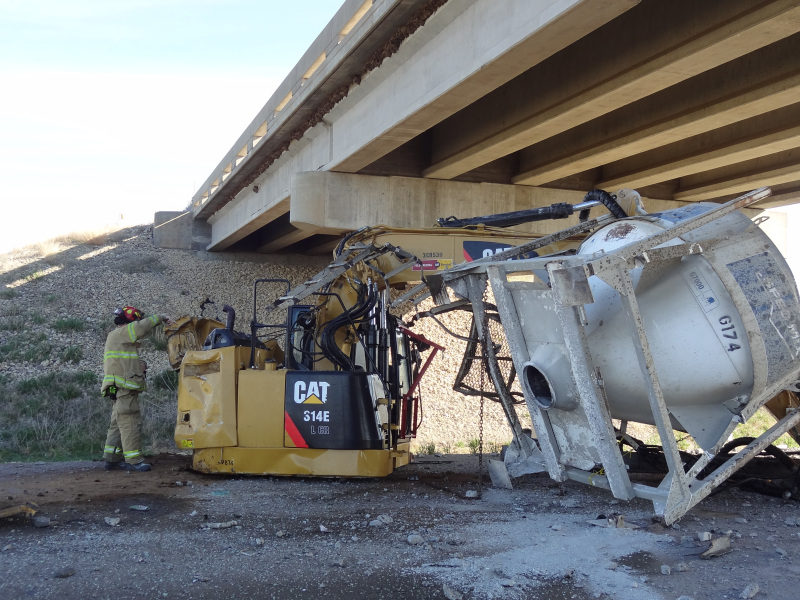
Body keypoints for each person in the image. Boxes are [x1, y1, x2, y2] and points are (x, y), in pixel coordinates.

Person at [101, 306, 172, 471]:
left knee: (117, 423)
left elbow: (122, 362)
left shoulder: (115, 337)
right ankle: (134, 461)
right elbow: (142, 327)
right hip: (125, 389)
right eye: (135, 321)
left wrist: (138, 367)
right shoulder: (123, 332)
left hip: (118, 388)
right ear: (130, 321)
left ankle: (111, 459)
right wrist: (162, 316)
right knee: (130, 422)